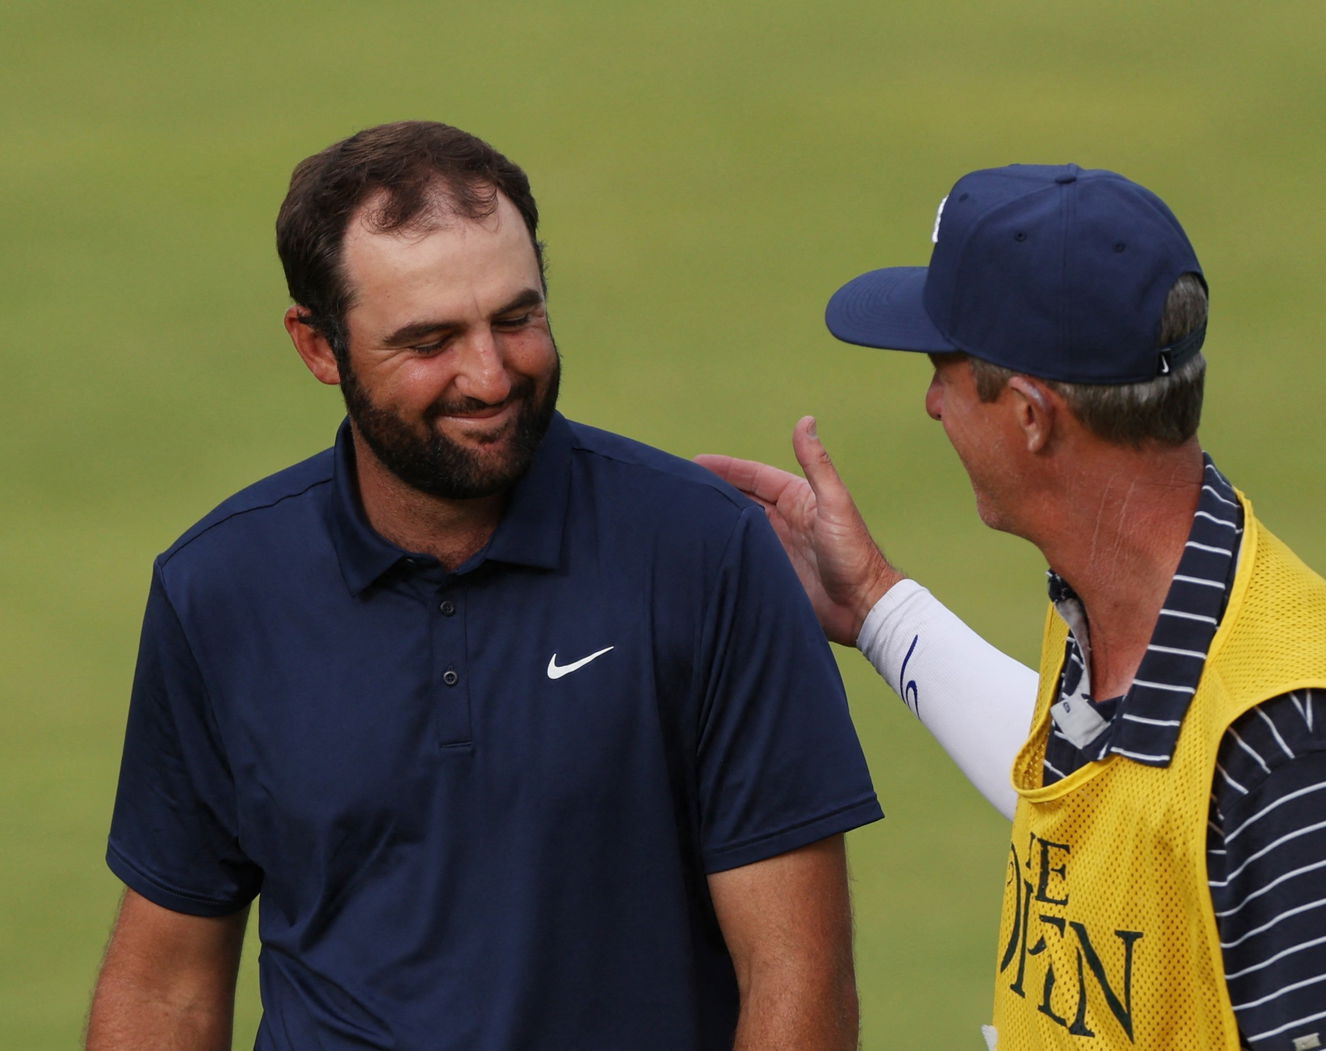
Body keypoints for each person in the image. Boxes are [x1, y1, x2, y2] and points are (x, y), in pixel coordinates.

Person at [87, 120, 882, 1051]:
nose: (490, 374)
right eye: (429, 340)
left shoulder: (706, 554)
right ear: (319, 346)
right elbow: (167, 987)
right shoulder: (219, 589)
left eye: (517, 318)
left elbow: (796, 973)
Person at [699, 164, 1326, 1050]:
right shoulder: (1120, 610)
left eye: (945, 369)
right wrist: (872, 603)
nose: (932, 403)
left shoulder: (1298, 749)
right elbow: (1113, 813)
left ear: (1030, 416)